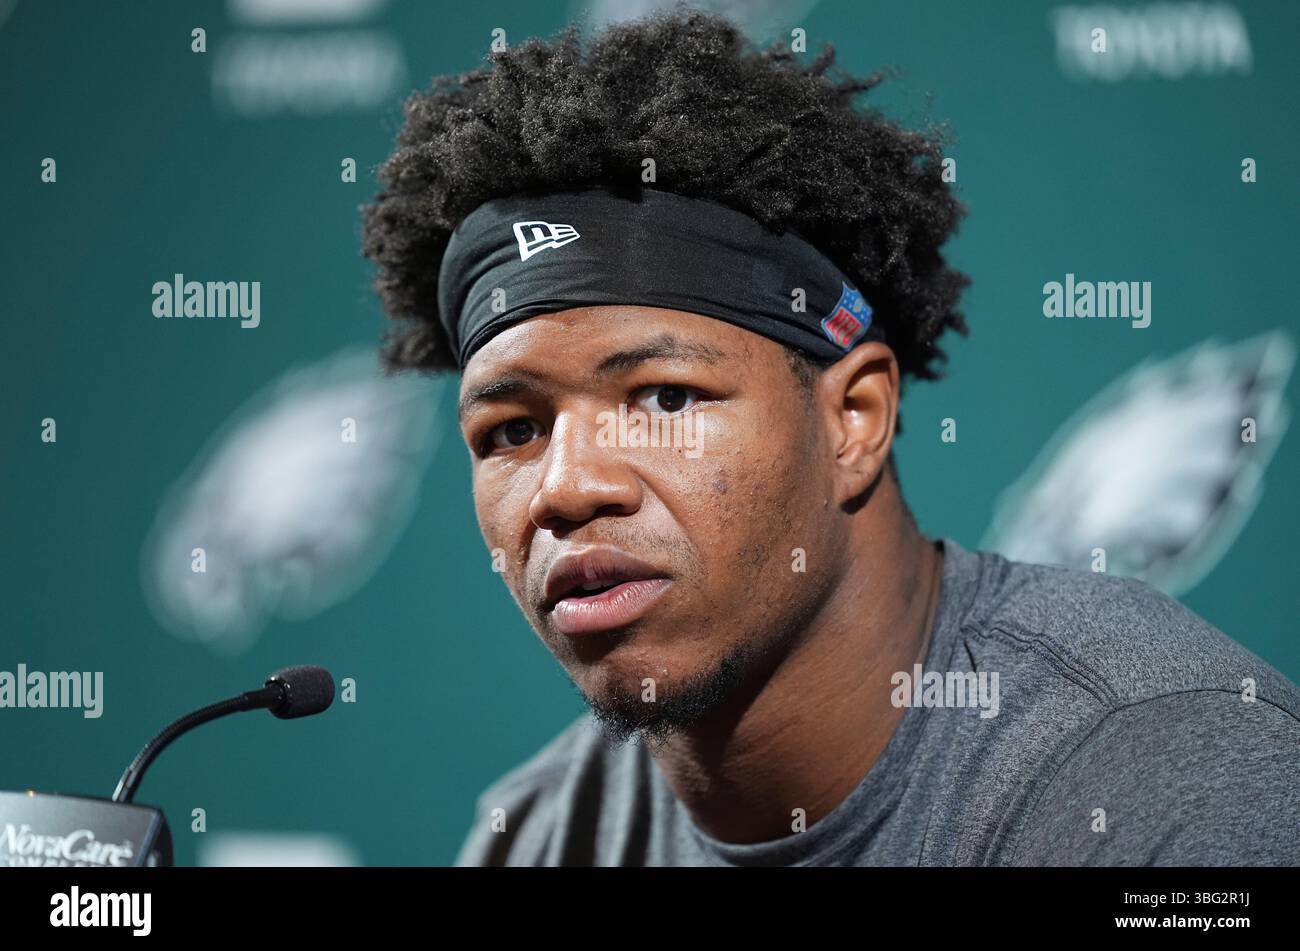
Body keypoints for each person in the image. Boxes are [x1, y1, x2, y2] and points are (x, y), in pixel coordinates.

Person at [361, 10, 1300, 865]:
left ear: (854, 420)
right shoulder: (537, 836)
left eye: (668, 398)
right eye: (513, 428)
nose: (566, 489)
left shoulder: (1159, 777)